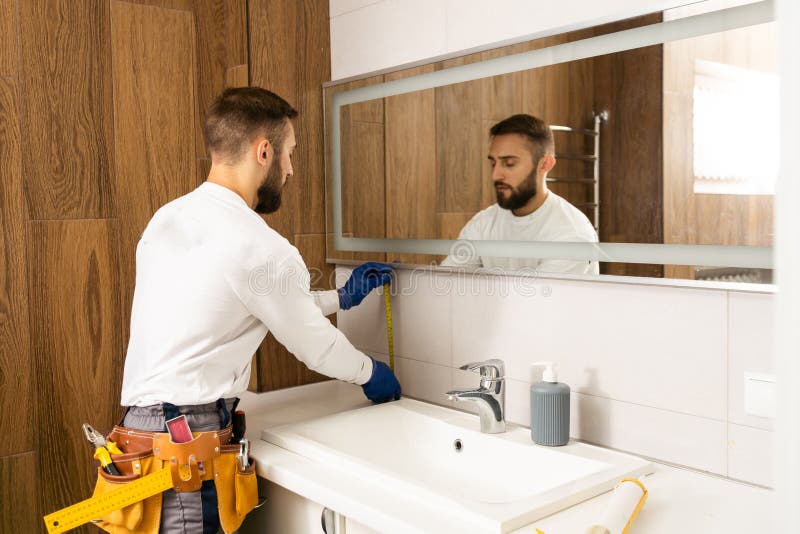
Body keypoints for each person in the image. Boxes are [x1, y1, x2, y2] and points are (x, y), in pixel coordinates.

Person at [119, 87, 400, 533]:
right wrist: (370, 373)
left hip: (143, 433)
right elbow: (316, 347)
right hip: (186, 443)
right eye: (290, 154)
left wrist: (339, 298)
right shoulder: (259, 244)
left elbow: (236, 302)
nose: (290, 169)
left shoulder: (168, 219)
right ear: (263, 151)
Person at [441, 114, 599, 274]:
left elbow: (539, 291)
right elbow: (446, 280)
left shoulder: (571, 234)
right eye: (493, 163)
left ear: (545, 164)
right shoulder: (483, 223)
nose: (495, 175)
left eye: (509, 164)